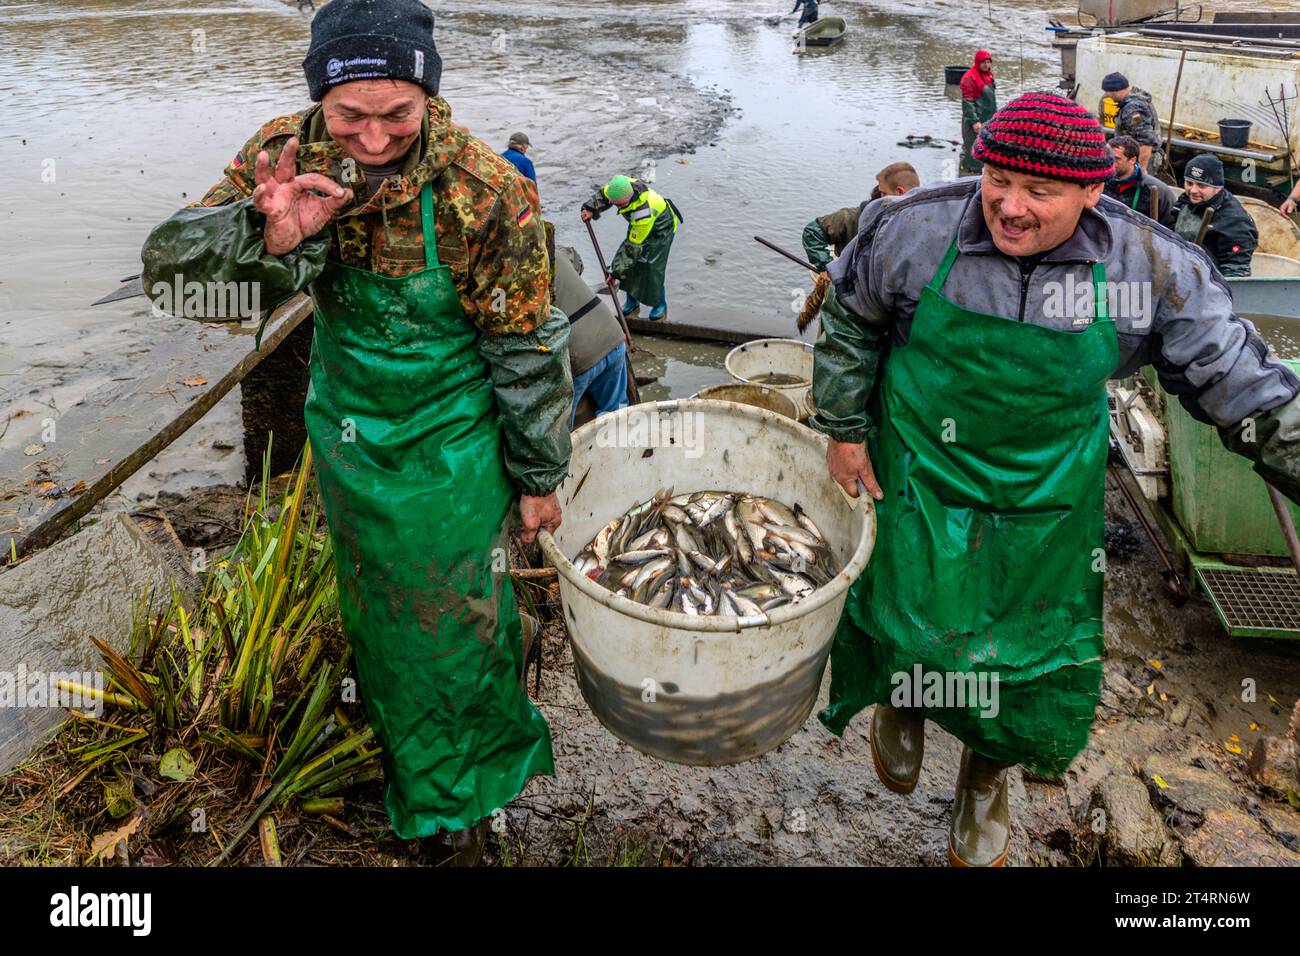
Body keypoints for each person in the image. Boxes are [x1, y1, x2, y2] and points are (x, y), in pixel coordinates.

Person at [811, 92, 1300, 867]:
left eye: (1039, 192)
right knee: (904, 604)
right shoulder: (913, 228)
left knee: (1025, 647)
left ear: (1093, 192)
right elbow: (851, 318)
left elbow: (1244, 386)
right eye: (997, 179)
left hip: (1045, 494)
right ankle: (901, 705)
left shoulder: (1149, 268)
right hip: (919, 468)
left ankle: (984, 774)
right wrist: (841, 429)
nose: (1009, 206)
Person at [139, 0, 573, 865]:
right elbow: (179, 287)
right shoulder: (283, 154)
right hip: (347, 427)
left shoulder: (487, 190)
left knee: (458, 616)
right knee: (376, 605)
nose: (373, 139)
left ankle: (457, 802)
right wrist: (271, 239)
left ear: (428, 95)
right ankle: (408, 747)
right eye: (351, 115)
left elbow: (523, 346)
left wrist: (537, 473)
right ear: (319, 101)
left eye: (397, 114)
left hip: (453, 438)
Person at [580, 175, 681, 321]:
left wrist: (614, 272)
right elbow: (602, 196)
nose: (618, 208)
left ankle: (659, 304)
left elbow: (631, 248)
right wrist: (590, 208)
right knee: (631, 266)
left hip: (661, 228)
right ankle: (632, 302)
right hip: (638, 225)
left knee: (652, 267)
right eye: (615, 204)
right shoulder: (617, 186)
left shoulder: (643, 211)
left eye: (620, 206)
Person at [551, 244, 630, 427]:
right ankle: (621, 451)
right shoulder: (555, 251)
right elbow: (576, 258)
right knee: (617, 415)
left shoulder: (514, 275)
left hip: (578, 354)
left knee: (562, 431)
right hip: (612, 335)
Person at [802, 162, 920, 271]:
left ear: (900, 192)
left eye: (883, 193)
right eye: (880, 193)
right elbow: (813, 231)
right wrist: (826, 266)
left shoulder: (920, 226)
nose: (881, 197)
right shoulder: (853, 217)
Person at [1171, 154, 1258, 277]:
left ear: (1218, 188)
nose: (1193, 190)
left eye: (1201, 185)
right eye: (1189, 183)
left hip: (1212, 283)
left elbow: (1235, 274)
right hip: (1182, 272)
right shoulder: (1185, 201)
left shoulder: (1236, 222)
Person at [1104, 135, 1177, 228]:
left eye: (1116, 159)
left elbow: (1168, 231)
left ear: (1132, 160)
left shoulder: (1158, 192)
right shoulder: (1098, 181)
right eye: (1107, 156)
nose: (1109, 161)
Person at [1101, 72, 1164, 173]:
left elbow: (1146, 142)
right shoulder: (1136, 97)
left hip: (1142, 159)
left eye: (1107, 92)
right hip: (1134, 157)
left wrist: (1141, 170)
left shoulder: (1132, 109)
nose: (1107, 95)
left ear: (1116, 90)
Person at [959, 50, 997, 175]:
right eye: (983, 62)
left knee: (985, 147)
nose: (986, 65)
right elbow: (968, 103)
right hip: (974, 120)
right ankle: (967, 173)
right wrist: (974, 121)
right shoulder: (969, 77)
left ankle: (981, 172)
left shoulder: (989, 75)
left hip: (988, 118)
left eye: (988, 62)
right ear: (977, 62)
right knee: (972, 149)